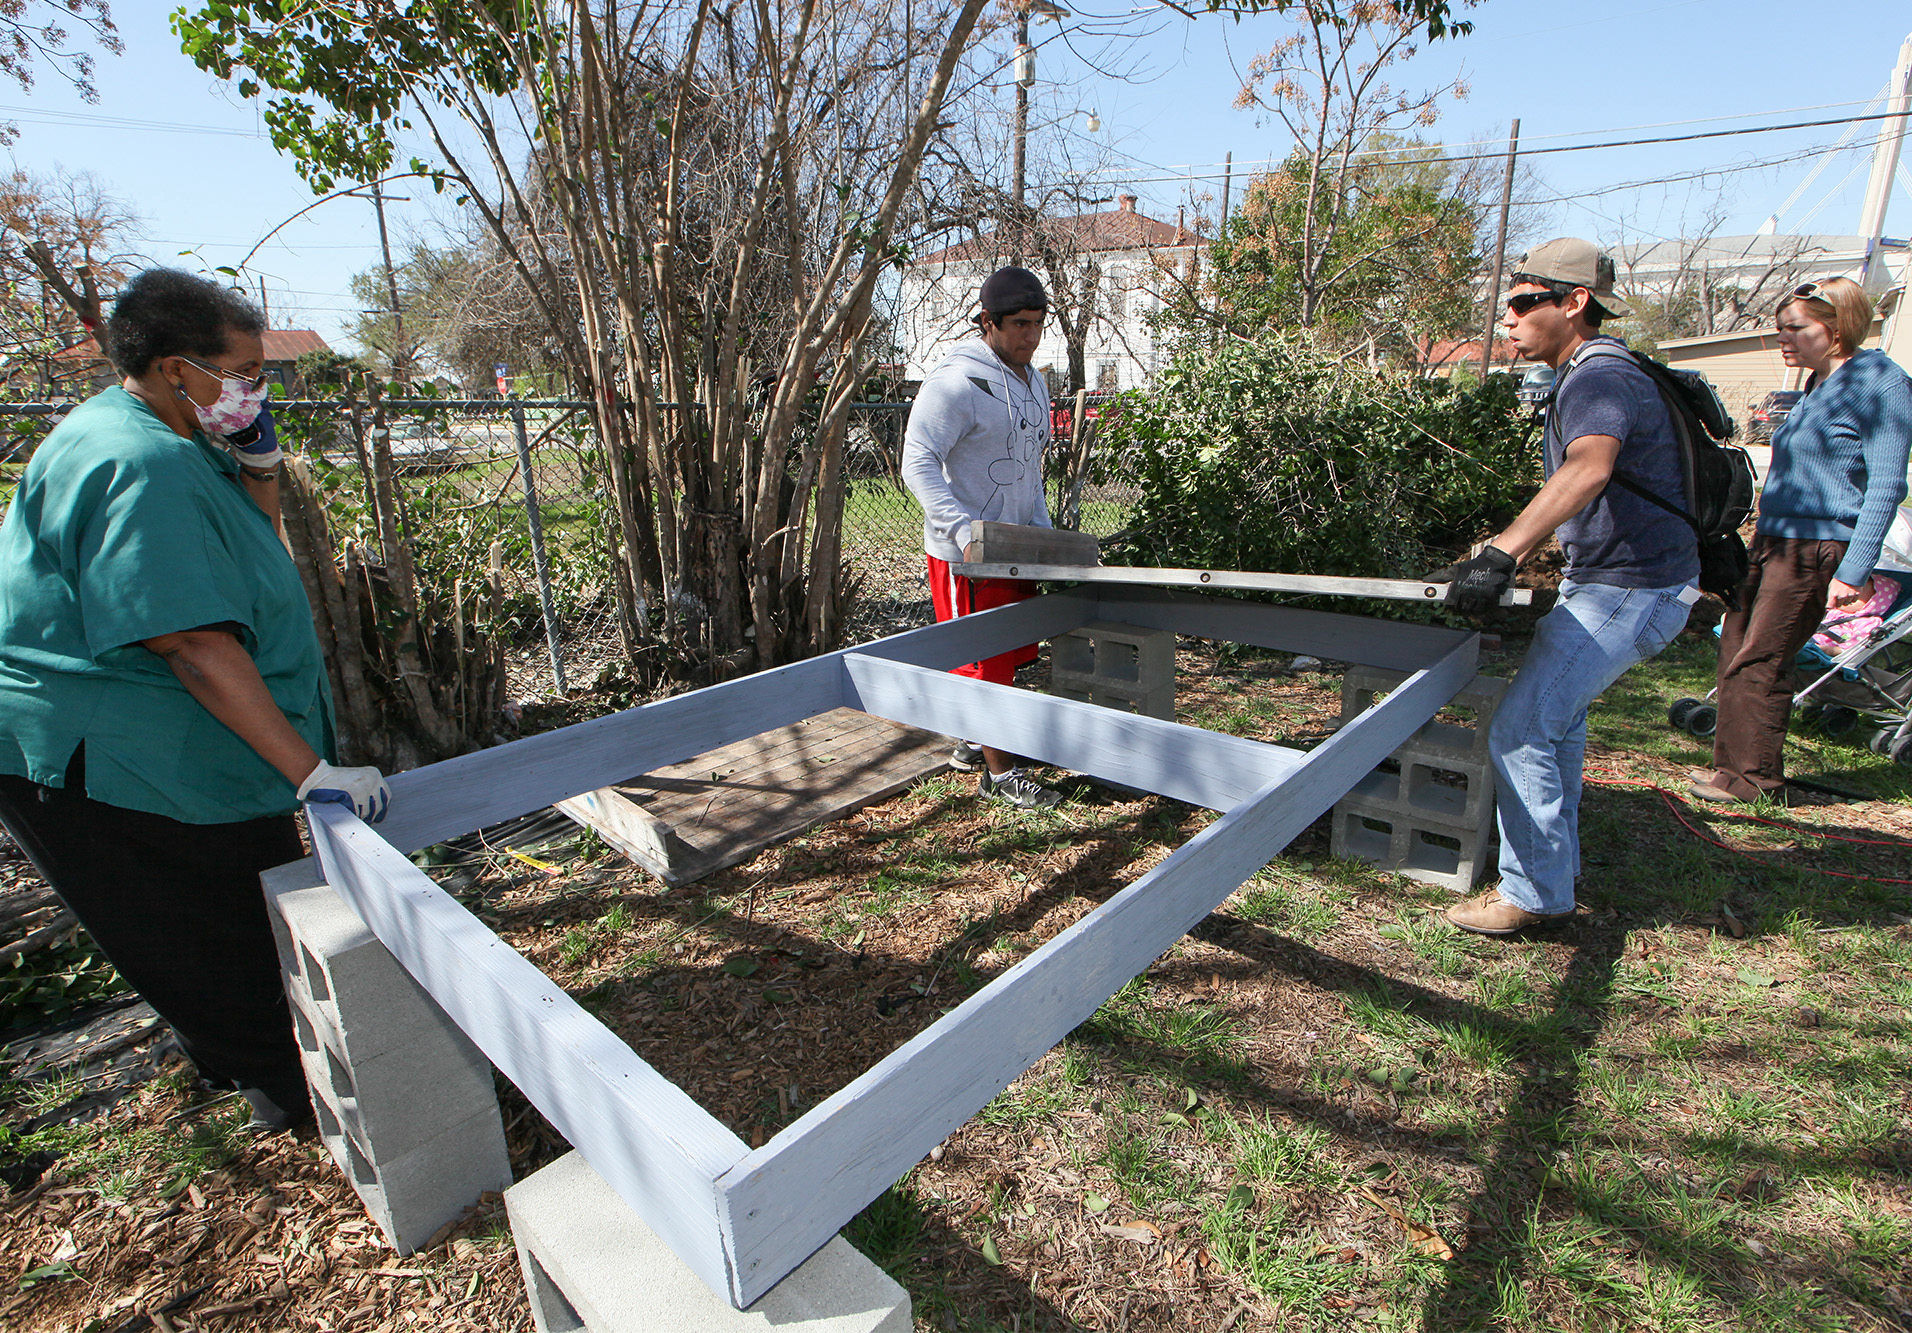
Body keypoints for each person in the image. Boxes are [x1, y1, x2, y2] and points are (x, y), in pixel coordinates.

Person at [0, 269, 390, 1130]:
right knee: (222, 943)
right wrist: (310, 771)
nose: (256, 387)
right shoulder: (138, 462)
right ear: (179, 369)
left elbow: (255, 549)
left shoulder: (175, 437)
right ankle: (313, 1107)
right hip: (119, 763)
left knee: (247, 910)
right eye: (244, 371)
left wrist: (259, 466)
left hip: (187, 748)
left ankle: (284, 1073)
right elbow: (191, 641)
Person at [1429, 239, 1701, 936]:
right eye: (1507, 307)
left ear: (1574, 302)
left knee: (1522, 731)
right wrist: (1500, 545)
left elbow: (1589, 469)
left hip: (1629, 591)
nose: (1508, 321)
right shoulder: (1593, 372)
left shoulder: (1597, 376)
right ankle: (1553, 868)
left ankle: (1534, 893)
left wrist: (1503, 553)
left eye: (1523, 303)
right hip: (1621, 585)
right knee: (1558, 727)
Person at [1691, 278, 1912, 804]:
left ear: (1837, 329)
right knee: (1735, 647)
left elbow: (1886, 486)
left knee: (1762, 658)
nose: (1783, 338)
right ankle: (1730, 771)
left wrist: (1853, 571)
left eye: (1796, 328)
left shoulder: (1882, 384)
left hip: (1818, 547)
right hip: (1773, 541)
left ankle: (1754, 781)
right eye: (1780, 328)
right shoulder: (1817, 384)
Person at [901, 265, 1061, 811]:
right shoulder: (955, 383)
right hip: (966, 554)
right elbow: (917, 462)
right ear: (988, 322)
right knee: (984, 662)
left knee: (1013, 652)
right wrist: (960, 531)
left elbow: (1028, 469)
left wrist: (1043, 533)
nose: (1031, 336)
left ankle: (975, 741)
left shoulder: (1034, 381)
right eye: (1019, 324)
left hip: (1016, 547)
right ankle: (1000, 774)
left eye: (1038, 324)